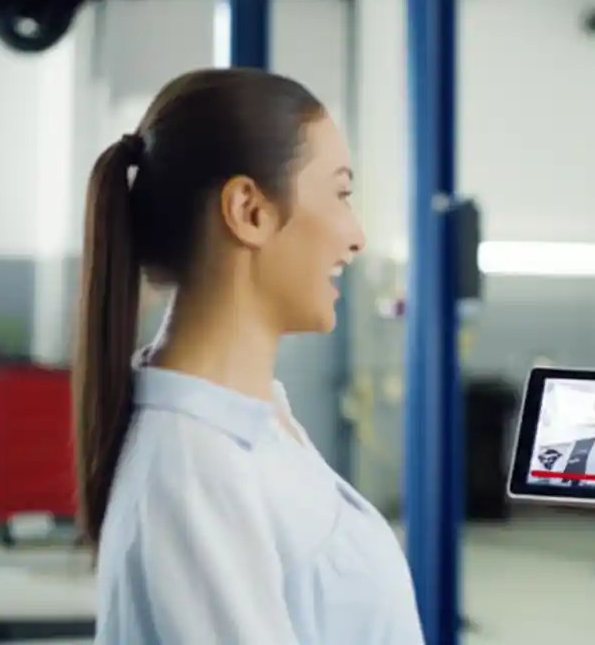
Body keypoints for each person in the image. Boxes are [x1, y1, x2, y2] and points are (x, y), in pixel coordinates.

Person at [74, 68, 424, 644]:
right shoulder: (196, 467)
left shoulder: (252, 424)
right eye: (340, 193)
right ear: (249, 210)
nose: (357, 235)